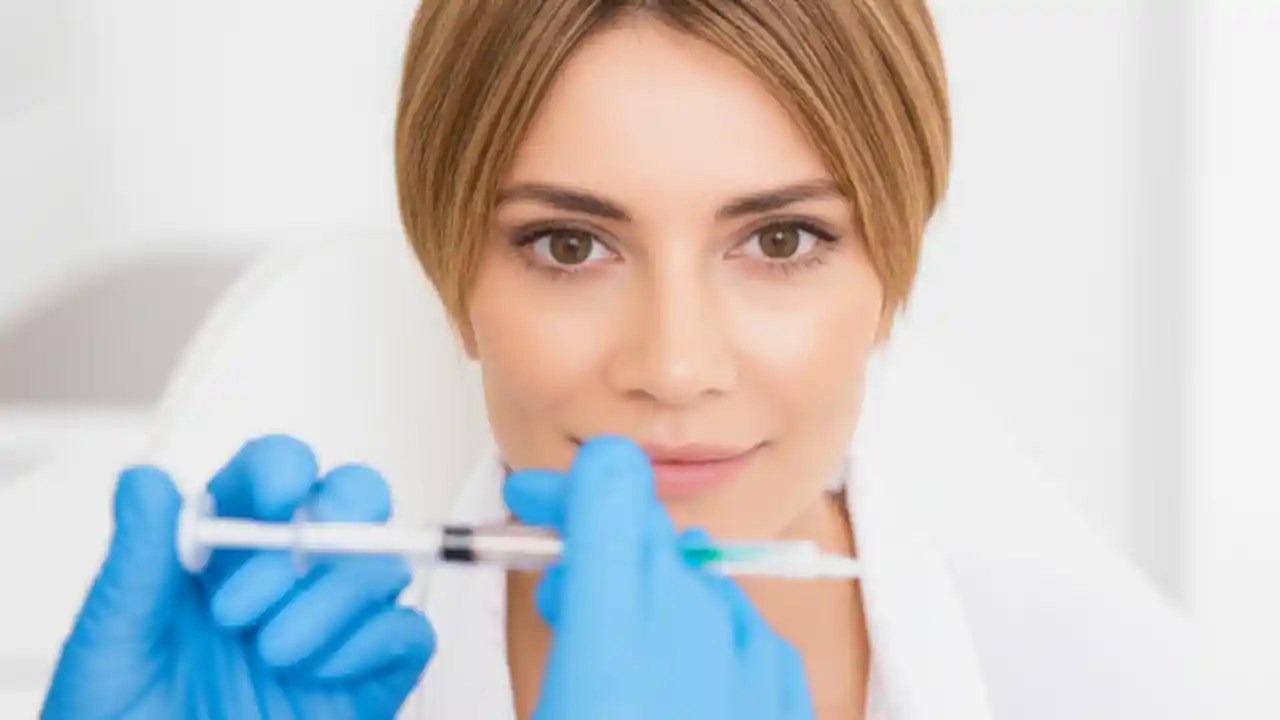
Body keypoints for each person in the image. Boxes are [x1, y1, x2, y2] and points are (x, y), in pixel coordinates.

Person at [41, 1, 1197, 719]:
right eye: (568, 244)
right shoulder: (288, 675)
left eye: (780, 240)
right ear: (454, 277)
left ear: (888, 269)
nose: (676, 366)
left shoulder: (1104, 683)